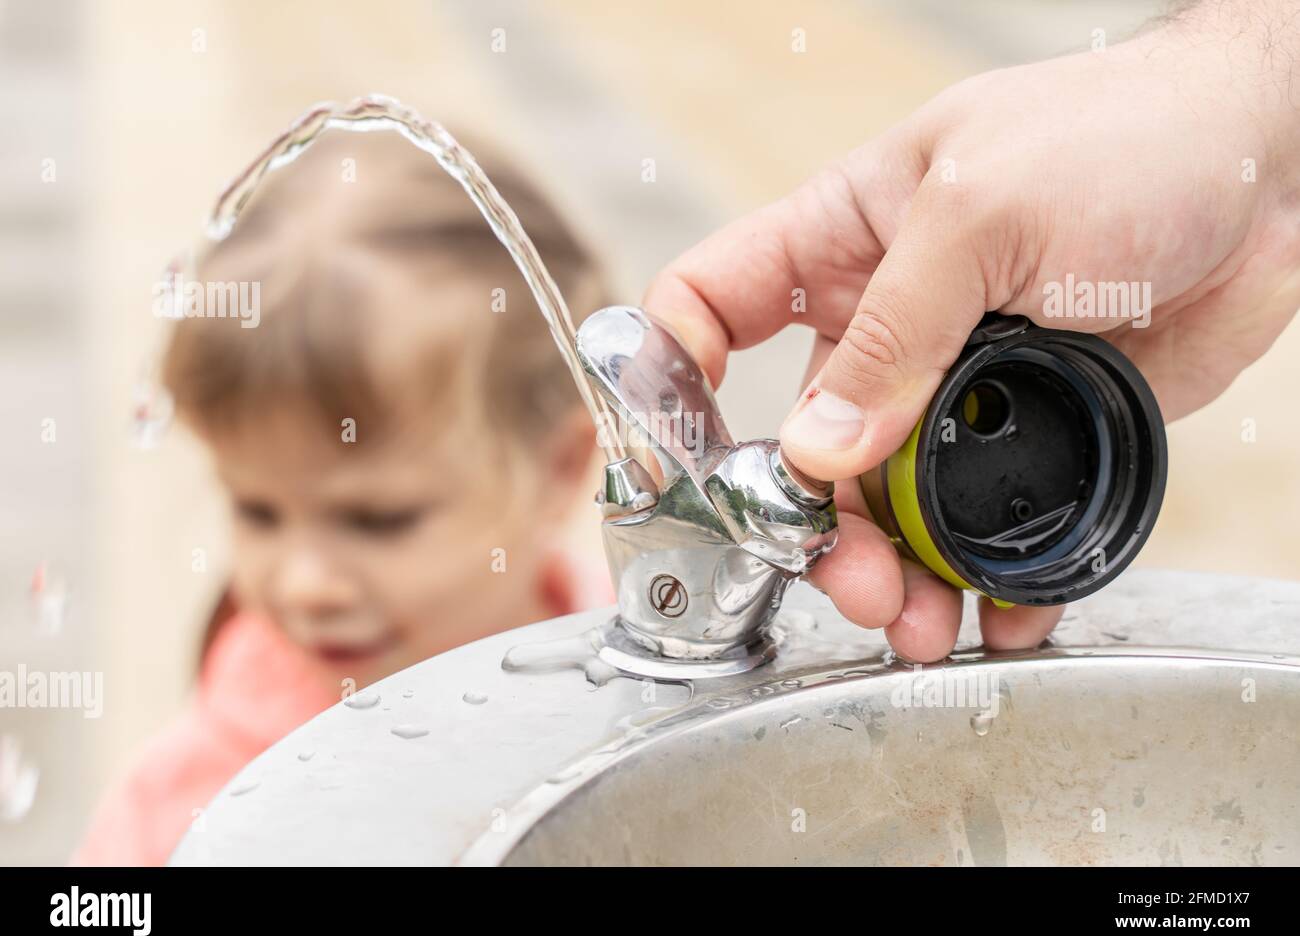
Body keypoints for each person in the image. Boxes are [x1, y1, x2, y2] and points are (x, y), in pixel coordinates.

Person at [645, 0, 1300, 664]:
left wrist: (1240, 95)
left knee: (908, 609)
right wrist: (1247, 103)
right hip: (989, 482)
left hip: (987, 467)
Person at [73, 129, 613, 865]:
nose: (304, 583)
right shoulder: (194, 806)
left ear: (560, 468)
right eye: (256, 510)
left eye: (376, 520)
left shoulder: (635, 694)